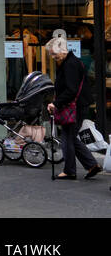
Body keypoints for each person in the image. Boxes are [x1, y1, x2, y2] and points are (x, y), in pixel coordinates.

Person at [45, 35, 99, 181]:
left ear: (63, 50)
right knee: (69, 137)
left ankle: (70, 170)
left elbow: (71, 90)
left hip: (75, 106)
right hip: (78, 104)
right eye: (51, 54)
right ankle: (91, 165)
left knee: (67, 138)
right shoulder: (71, 61)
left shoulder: (70, 64)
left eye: (54, 53)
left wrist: (55, 103)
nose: (52, 56)